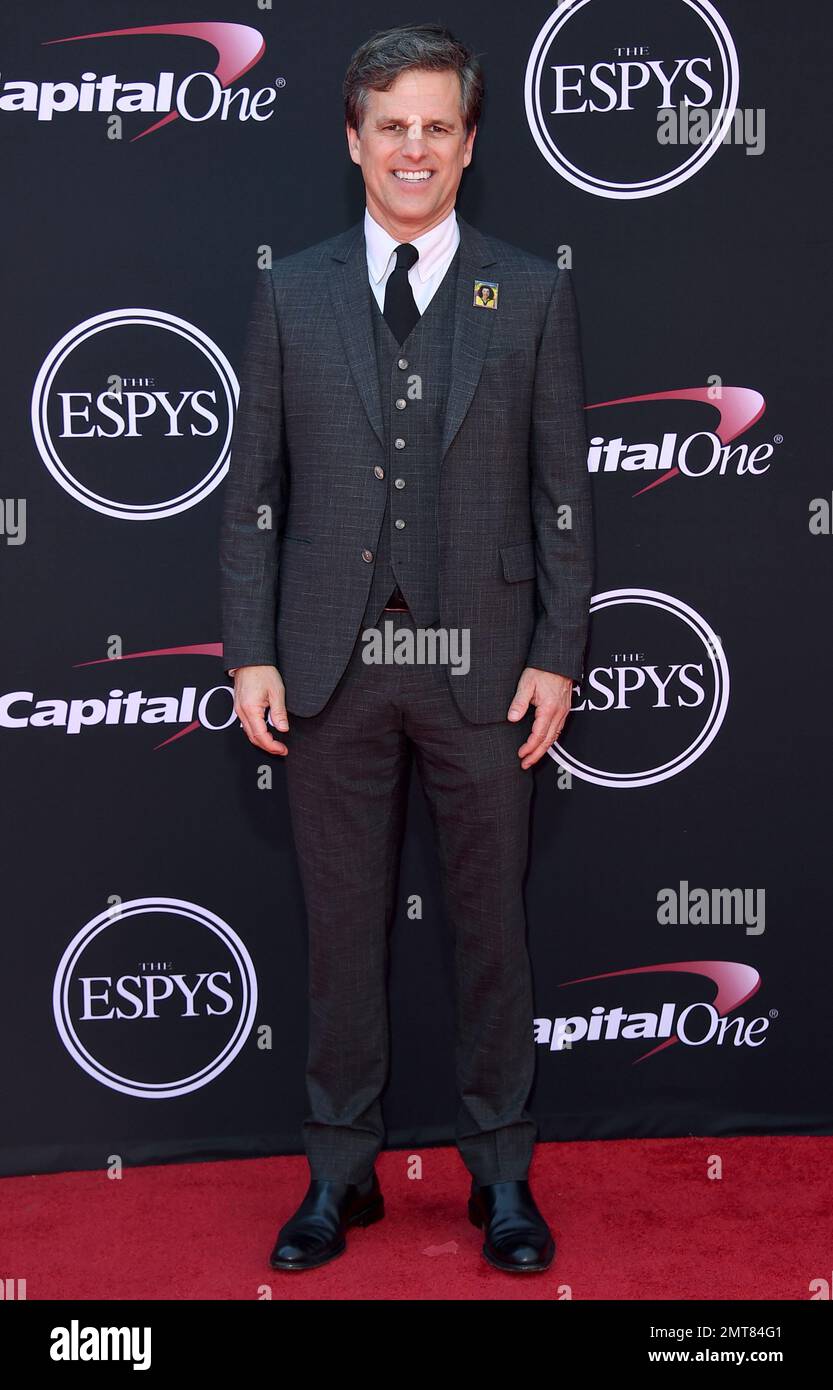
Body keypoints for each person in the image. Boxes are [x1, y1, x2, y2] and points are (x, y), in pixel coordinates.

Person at [219, 21, 594, 1274]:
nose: (414, 147)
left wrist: (559, 645)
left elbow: (560, 494)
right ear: (352, 138)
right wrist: (249, 649)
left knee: (492, 930)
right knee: (341, 932)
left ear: (470, 141)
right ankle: (338, 1174)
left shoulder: (530, 291)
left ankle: (500, 1179)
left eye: (437, 125)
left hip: (485, 670)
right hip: (330, 665)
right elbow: (251, 490)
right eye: (392, 125)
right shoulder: (290, 290)